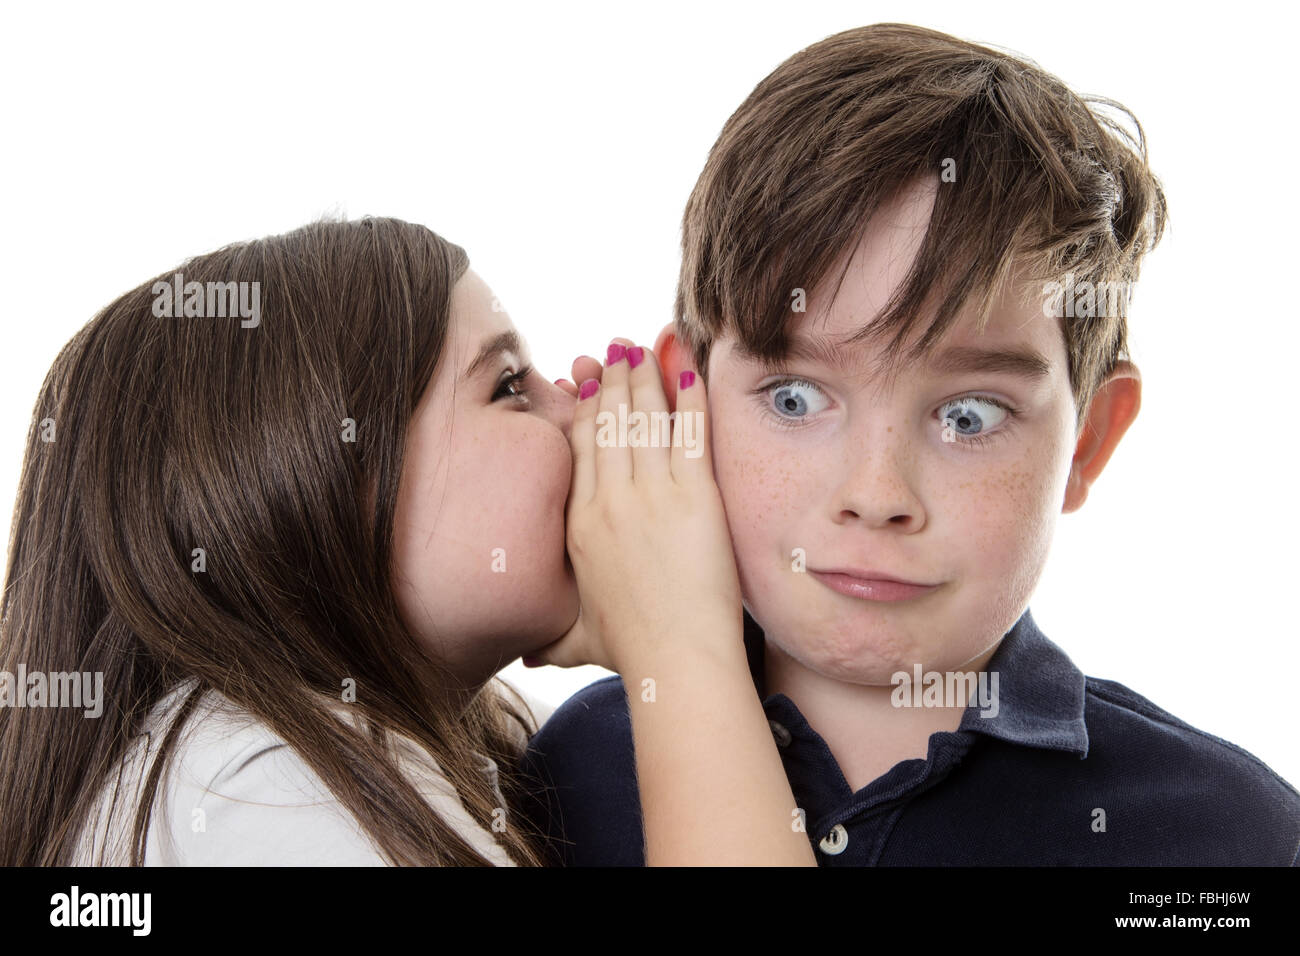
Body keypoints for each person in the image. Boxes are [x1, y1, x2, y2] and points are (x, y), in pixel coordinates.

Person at [518, 23, 1300, 865]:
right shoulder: (571, 771)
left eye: (969, 416)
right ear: (688, 403)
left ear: (1089, 440)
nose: (877, 492)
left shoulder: (1225, 838)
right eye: (794, 397)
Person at [0, 217, 813, 866]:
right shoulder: (255, 794)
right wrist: (677, 641)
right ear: (320, 485)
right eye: (505, 386)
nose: (577, 404)